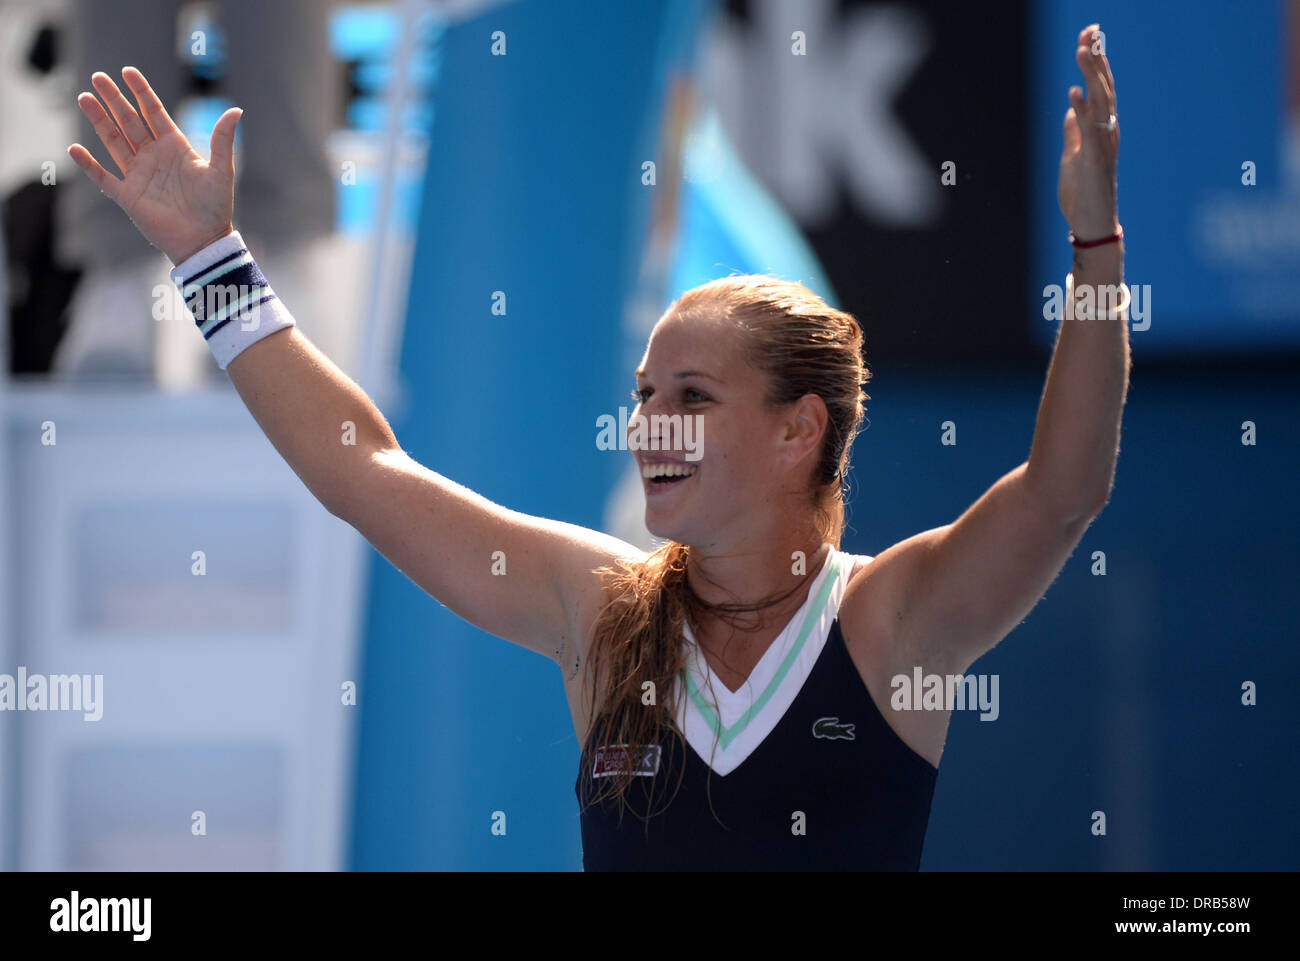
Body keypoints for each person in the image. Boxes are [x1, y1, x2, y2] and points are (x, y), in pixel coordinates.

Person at [65, 23, 1128, 870]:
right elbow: (364, 471)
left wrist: (1094, 249)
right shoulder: (605, 613)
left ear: (798, 429)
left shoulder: (893, 621)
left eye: (692, 395)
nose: (645, 422)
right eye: (642, 390)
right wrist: (212, 260)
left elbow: (1061, 491)